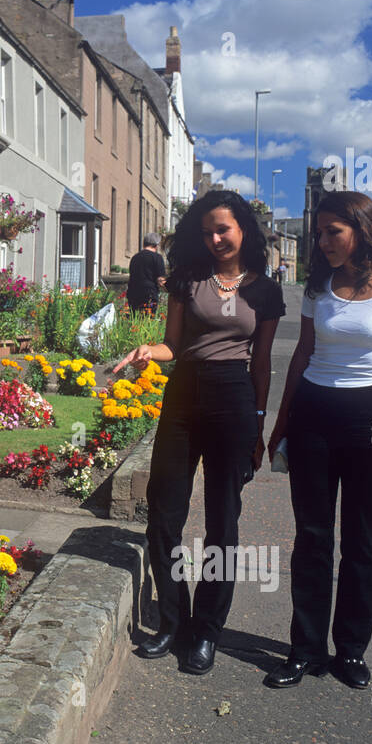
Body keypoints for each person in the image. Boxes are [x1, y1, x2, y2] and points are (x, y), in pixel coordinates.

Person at [264, 191, 372, 689]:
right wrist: (280, 425)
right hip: (314, 413)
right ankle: (306, 648)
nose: (323, 241)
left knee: (361, 539)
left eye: (332, 231)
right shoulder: (319, 285)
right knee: (311, 537)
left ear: (362, 228)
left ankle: (352, 651)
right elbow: (302, 355)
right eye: (319, 232)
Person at [114, 190, 284, 674]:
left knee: (222, 524)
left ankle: (206, 631)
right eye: (208, 230)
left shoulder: (264, 291)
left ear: (243, 230)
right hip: (184, 395)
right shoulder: (188, 280)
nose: (215, 238)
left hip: (234, 401)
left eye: (223, 229)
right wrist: (149, 351)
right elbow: (173, 344)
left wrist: (258, 426)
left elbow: (264, 364)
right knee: (165, 514)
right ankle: (173, 622)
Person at [127, 232, 167, 314]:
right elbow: (161, 281)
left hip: (133, 294)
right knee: (148, 321)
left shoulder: (135, 258)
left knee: (135, 322)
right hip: (149, 295)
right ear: (156, 245)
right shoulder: (157, 258)